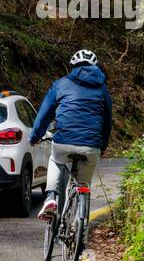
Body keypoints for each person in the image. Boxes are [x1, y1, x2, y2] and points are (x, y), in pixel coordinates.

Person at [30, 49, 113, 221]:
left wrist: (35, 136)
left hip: (63, 141)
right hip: (91, 145)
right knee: (83, 184)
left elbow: (44, 115)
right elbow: (107, 121)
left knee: (55, 159)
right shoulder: (102, 88)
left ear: (73, 67)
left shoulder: (60, 84)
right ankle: (78, 225)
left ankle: (51, 197)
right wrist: (101, 146)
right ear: (94, 66)